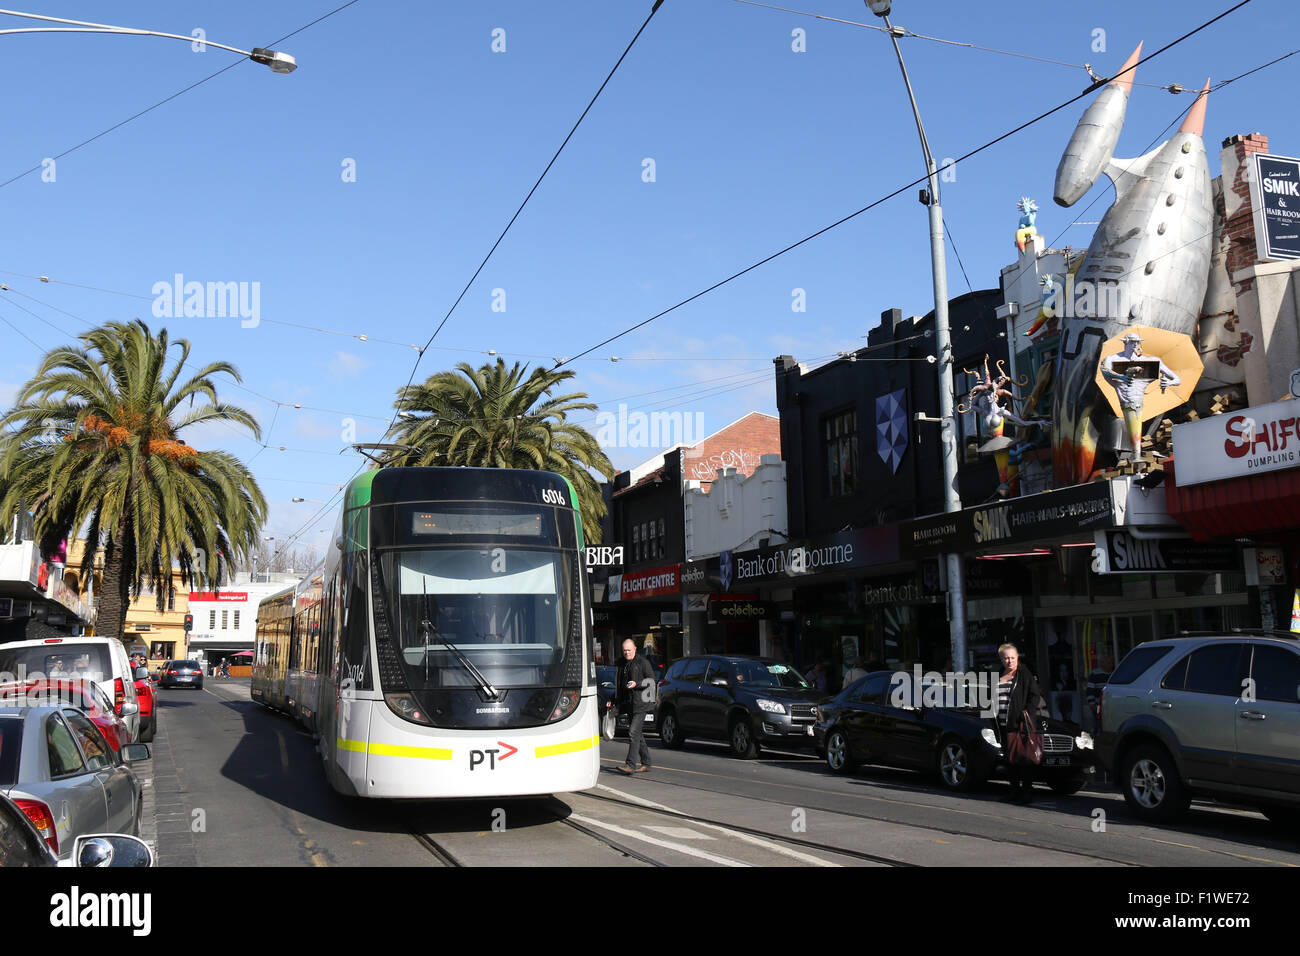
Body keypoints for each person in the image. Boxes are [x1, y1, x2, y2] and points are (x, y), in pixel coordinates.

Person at [996, 642, 1046, 805]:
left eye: (1012, 658)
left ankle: (1026, 791)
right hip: (1003, 724)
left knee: (1024, 758)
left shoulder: (1023, 674)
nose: (1009, 661)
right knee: (1009, 759)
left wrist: (1026, 713)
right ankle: (1014, 790)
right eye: (1006, 658)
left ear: (1017, 658)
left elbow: (1035, 695)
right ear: (1001, 660)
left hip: (1020, 725)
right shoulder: (998, 675)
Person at [608, 638, 654, 774]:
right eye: (624, 650)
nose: (627, 653)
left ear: (635, 649)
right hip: (630, 704)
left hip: (642, 703)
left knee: (633, 732)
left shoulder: (642, 663)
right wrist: (613, 700)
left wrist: (637, 684)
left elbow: (651, 681)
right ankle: (646, 762)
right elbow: (620, 686)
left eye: (629, 650)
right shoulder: (622, 664)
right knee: (638, 734)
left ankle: (630, 765)